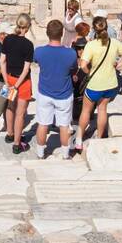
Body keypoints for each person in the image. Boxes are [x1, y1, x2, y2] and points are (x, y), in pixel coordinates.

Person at [77, 16, 122, 144]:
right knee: (102, 110)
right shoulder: (114, 43)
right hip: (110, 84)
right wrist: (119, 65)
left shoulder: (91, 45)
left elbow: (83, 65)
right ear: (106, 27)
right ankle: (99, 139)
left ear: (94, 30)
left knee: (86, 110)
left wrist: (89, 73)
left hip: (95, 85)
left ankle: (79, 139)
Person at [33, 19, 78, 160]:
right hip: (64, 94)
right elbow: (74, 70)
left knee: (43, 123)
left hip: (45, 92)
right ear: (62, 33)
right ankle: (65, 154)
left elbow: (37, 62)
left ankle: (41, 153)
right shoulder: (71, 53)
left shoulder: (39, 52)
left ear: (47, 33)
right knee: (64, 125)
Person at [0, 14, 35, 154]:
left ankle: (10, 133)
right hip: (23, 82)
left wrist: (6, 80)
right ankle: (17, 143)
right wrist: (16, 85)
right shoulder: (28, 45)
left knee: (10, 106)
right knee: (20, 114)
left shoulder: (7, 39)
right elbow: (26, 69)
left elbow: (2, 61)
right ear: (27, 28)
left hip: (9, 78)